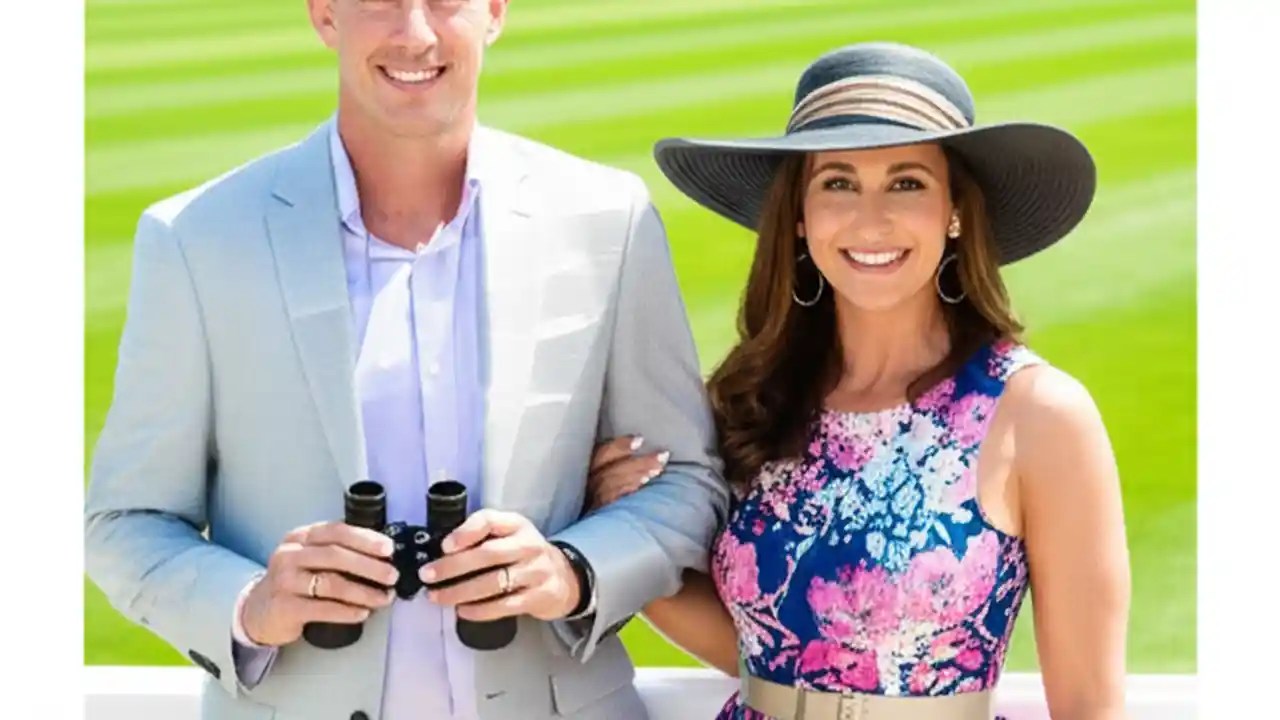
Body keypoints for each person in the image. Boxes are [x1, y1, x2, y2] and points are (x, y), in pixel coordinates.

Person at [82, 1, 728, 719]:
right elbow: (126, 521)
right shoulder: (196, 239)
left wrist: (573, 570)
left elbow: (686, 484)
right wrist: (248, 604)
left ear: (494, 12)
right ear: (324, 14)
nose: (414, 33)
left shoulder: (611, 218)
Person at [585, 42, 1131, 719]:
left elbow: (1089, 706)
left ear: (955, 211)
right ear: (799, 215)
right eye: (838, 183)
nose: (870, 219)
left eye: (907, 182)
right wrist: (627, 530)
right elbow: (766, 650)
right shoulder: (747, 403)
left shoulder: (1037, 415)